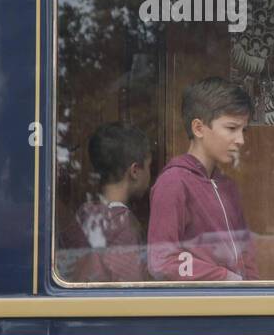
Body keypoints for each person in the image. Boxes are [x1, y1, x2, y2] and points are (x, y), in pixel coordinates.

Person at [147, 77, 259, 281]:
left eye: (244, 130)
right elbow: (162, 261)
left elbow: (246, 253)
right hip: (198, 307)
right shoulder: (173, 182)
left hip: (239, 306)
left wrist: (254, 291)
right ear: (199, 128)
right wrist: (225, 278)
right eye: (231, 128)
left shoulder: (228, 187)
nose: (241, 140)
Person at [60, 123, 153, 282]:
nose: (151, 174)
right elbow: (131, 291)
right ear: (135, 171)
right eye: (150, 166)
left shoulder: (83, 215)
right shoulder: (123, 226)